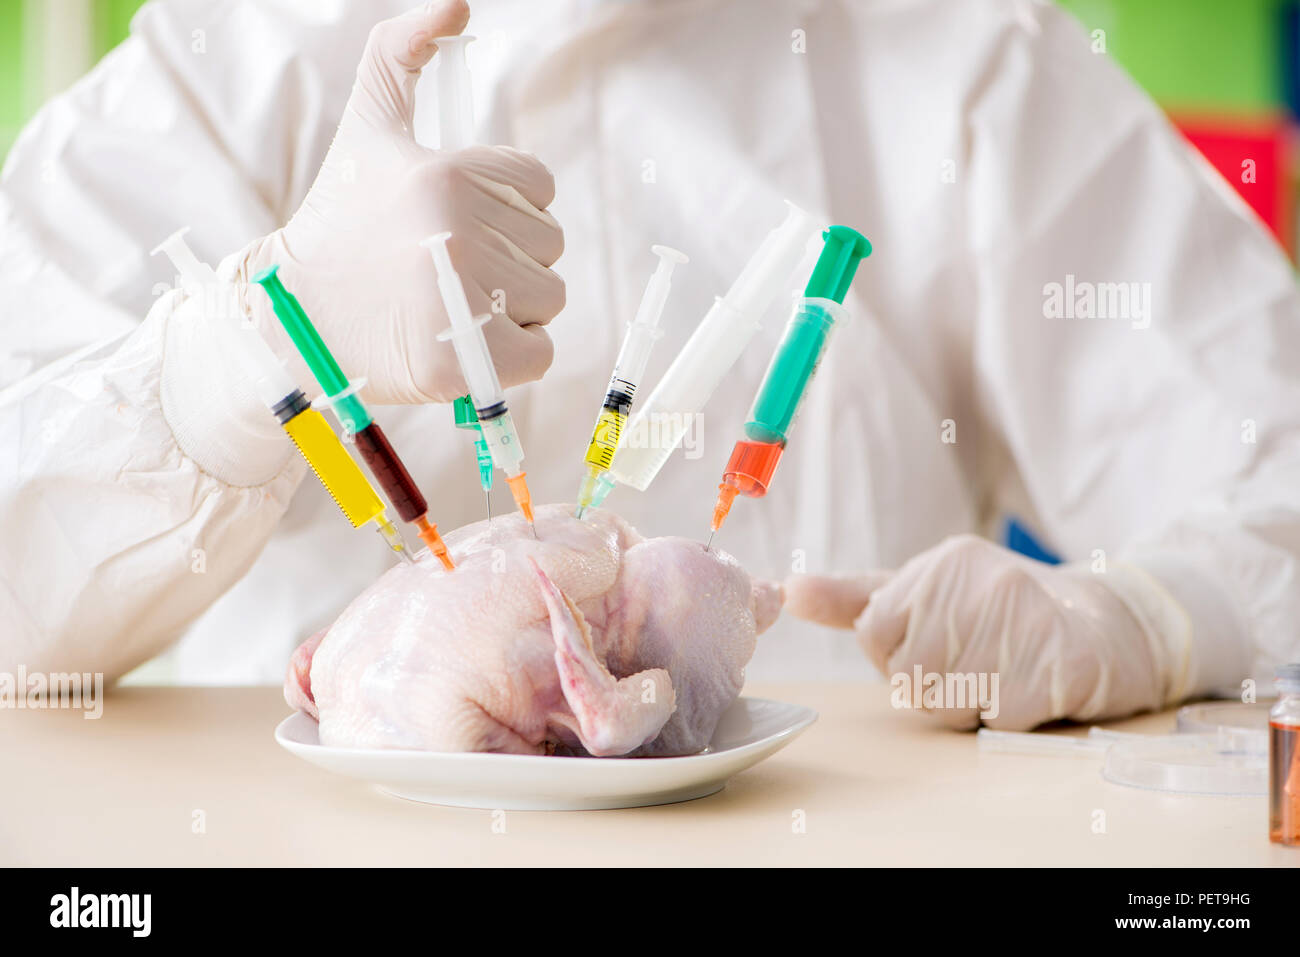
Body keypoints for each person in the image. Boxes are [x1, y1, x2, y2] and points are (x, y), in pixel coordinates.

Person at [2, 0, 1296, 730]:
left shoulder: (969, 58)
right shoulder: (238, 55)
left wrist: (1156, 614)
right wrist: (234, 352)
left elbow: (1274, 470)